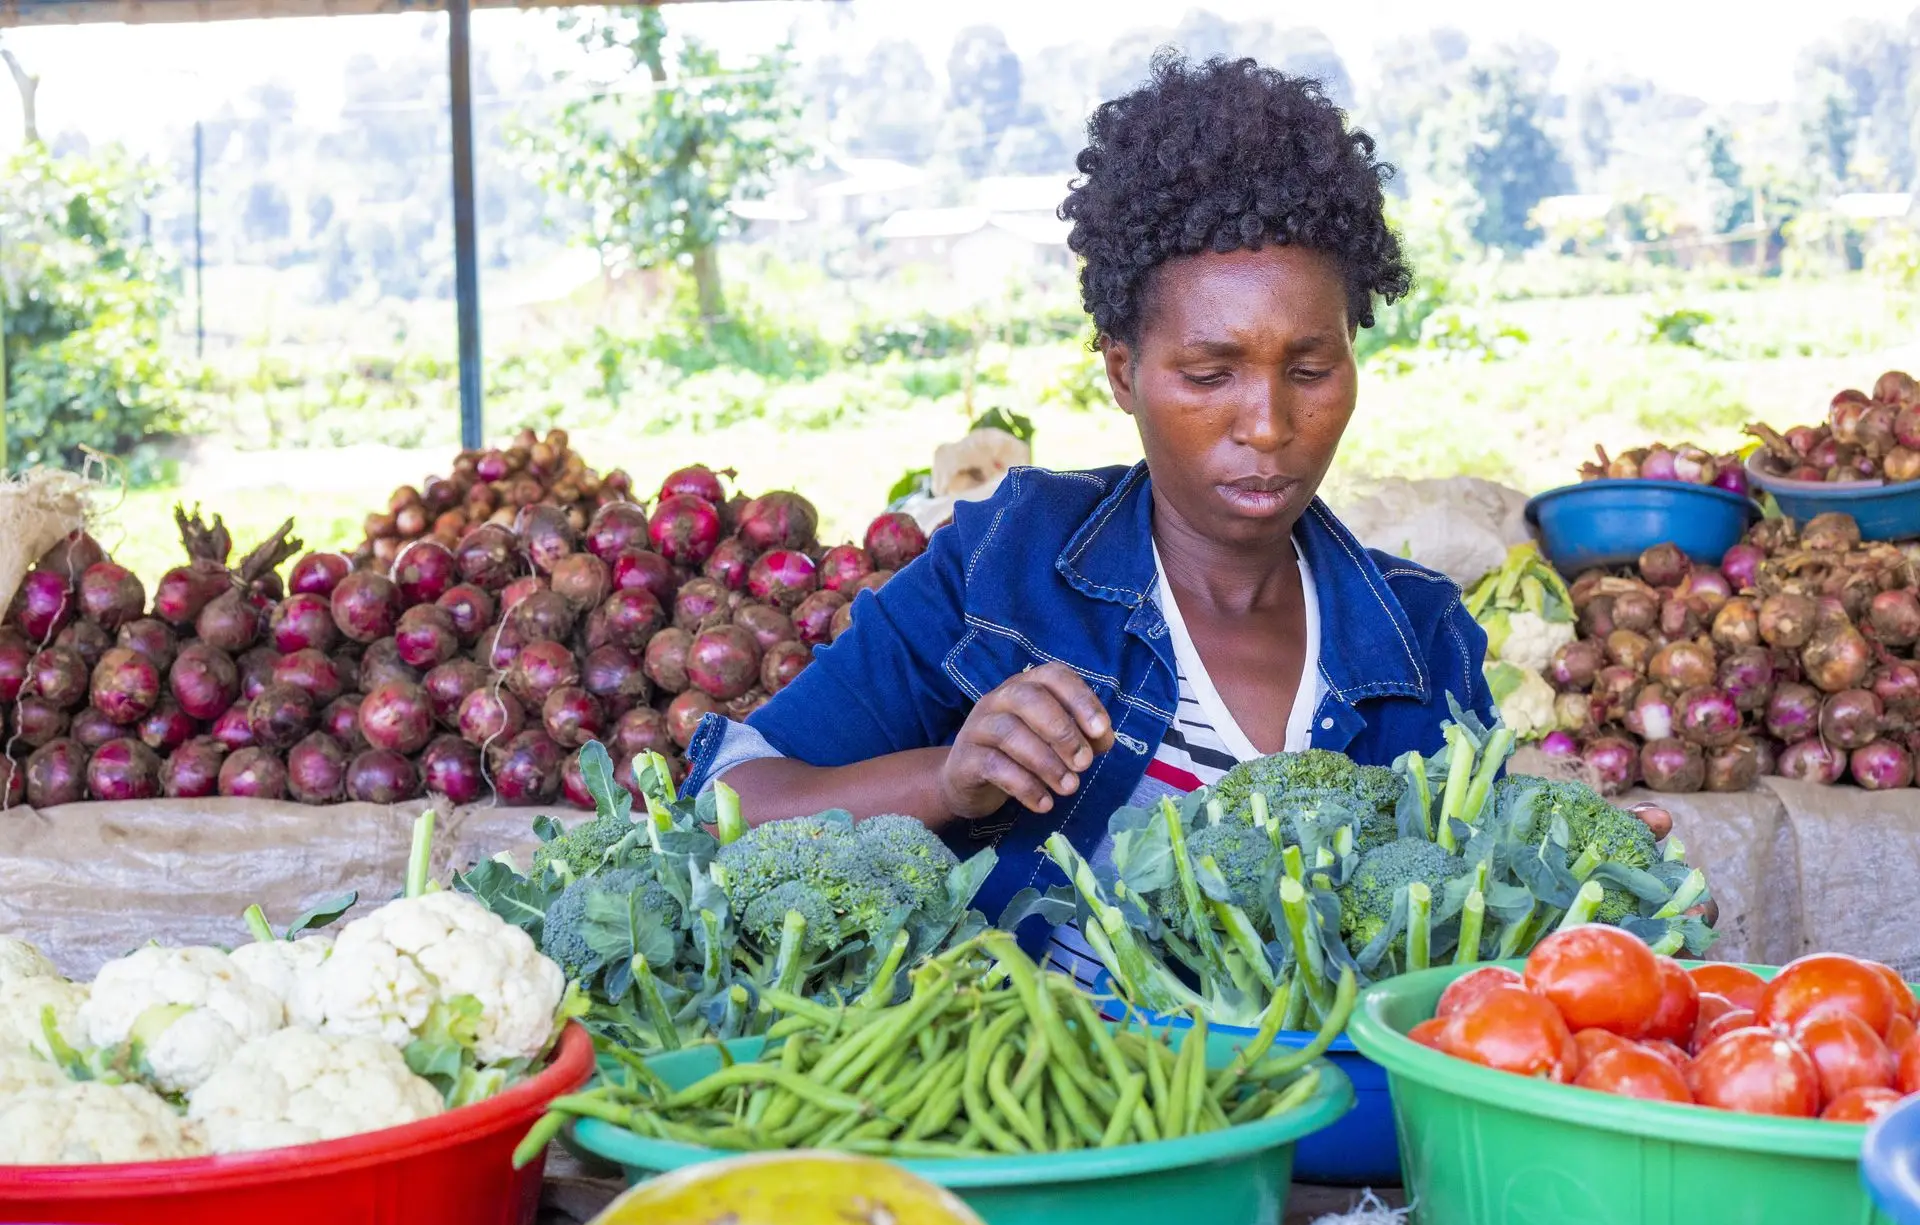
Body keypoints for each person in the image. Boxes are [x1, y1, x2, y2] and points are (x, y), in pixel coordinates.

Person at [681, 54, 1657, 973]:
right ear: (1122, 371)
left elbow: (1464, 948)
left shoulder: (1422, 638)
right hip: (1055, 1123)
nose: (1269, 424)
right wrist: (946, 781)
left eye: (1310, 370)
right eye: (1209, 373)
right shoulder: (1001, 569)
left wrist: (1574, 854)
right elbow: (726, 807)